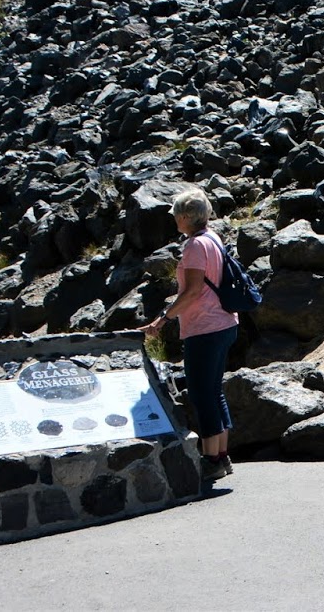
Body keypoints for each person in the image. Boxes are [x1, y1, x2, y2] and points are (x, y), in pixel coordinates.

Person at [137, 187, 238, 482]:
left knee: (201, 393)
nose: (173, 221)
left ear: (184, 216)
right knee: (213, 390)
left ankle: (211, 460)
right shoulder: (213, 237)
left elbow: (193, 290)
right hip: (225, 323)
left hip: (204, 328)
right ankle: (222, 455)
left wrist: (164, 318)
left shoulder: (194, 245)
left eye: (175, 216)